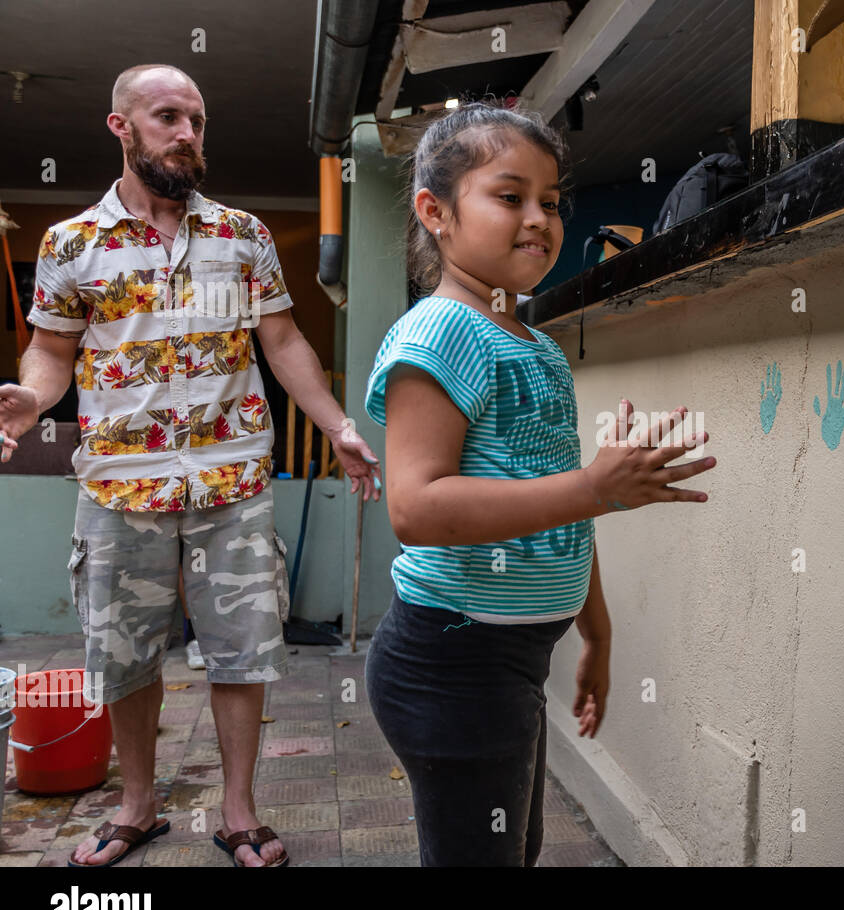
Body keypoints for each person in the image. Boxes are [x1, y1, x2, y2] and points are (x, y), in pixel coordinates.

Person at [0, 64, 381, 867]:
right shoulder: (72, 243)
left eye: (197, 120)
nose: (187, 134)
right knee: (126, 652)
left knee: (242, 648)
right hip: (118, 484)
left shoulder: (242, 234)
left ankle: (239, 812)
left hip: (231, 478)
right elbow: (50, 352)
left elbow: (283, 344)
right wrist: (32, 402)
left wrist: (338, 424)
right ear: (121, 126)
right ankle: (137, 807)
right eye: (168, 116)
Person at [362, 100, 717, 866]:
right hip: (451, 665)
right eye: (509, 195)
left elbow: (558, 508)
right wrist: (591, 489)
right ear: (436, 212)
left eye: (551, 202)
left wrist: (597, 633)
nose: (539, 219)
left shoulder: (535, 345)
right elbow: (416, 509)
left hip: (515, 662)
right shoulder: (441, 332)